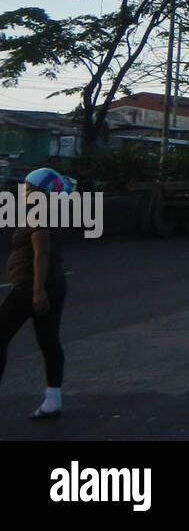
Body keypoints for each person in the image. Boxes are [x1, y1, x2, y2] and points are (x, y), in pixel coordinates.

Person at [0, 167, 74, 420]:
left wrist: (37, 290)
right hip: (52, 284)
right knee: (49, 343)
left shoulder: (39, 213)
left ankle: (52, 402)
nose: (24, 190)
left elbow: (41, 253)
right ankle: (53, 401)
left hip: (31, 286)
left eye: (28, 186)